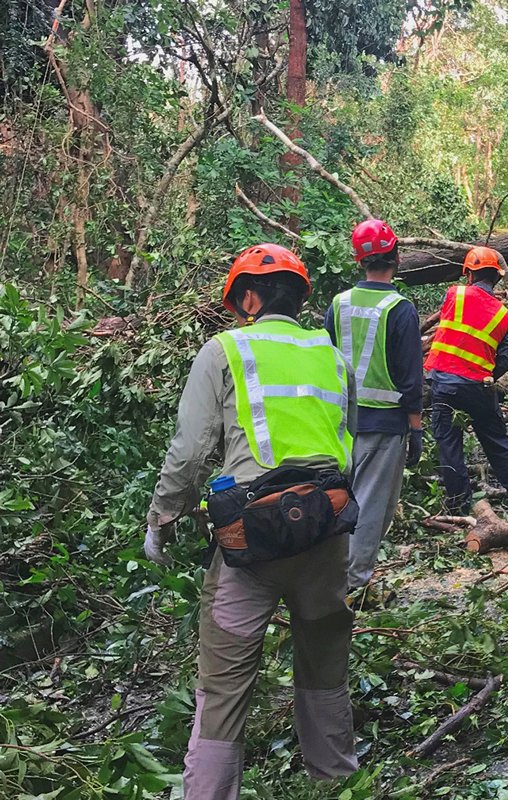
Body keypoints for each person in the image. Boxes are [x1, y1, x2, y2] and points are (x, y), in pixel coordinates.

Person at [144, 243, 359, 799]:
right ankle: (335, 779)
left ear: (247, 297)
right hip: (324, 529)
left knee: (222, 686)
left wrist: (161, 519)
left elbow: (190, 452)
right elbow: (347, 445)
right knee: (324, 659)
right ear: (299, 295)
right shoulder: (332, 355)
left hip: (251, 546)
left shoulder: (225, 350)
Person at [423, 245, 508, 537]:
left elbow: (447, 330)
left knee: (449, 445)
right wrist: (484, 372)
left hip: (444, 384)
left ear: (468, 273)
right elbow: (506, 359)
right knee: (499, 446)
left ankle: (458, 511)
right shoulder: (505, 317)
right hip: (479, 387)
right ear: (497, 278)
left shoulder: (454, 295)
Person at [326, 219, 424, 594]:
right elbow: (410, 377)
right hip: (384, 425)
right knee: (370, 506)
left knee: (339, 499)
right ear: (397, 256)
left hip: (340, 422)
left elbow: (328, 360)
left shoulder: (339, 304)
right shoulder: (399, 308)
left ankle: (329, 575)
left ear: (359, 261)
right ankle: (352, 586)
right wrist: (415, 429)